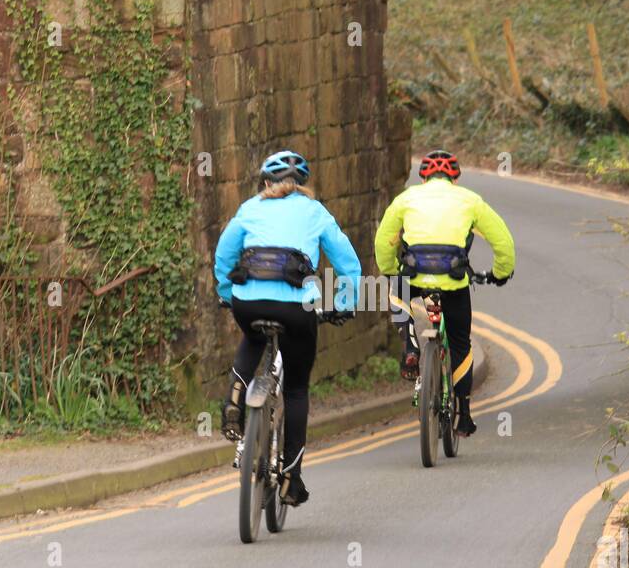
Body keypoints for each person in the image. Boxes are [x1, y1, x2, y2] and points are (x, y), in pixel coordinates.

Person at [214, 150, 361, 506]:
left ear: (266, 183)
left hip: (249, 300)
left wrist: (226, 293)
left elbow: (223, 254)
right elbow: (348, 263)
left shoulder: (250, 208)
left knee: (252, 335)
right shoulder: (315, 212)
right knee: (295, 389)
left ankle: (236, 392)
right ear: (300, 186)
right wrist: (344, 304)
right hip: (297, 307)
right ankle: (291, 478)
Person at [374, 150, 514, 436]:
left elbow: (383, 241)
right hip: (454, 280)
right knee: (461, 344)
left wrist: (390, 270)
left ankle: (411, 347)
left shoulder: (406, 199)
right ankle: (463, 415)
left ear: (424, 176)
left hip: (413, 273)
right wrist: (500, 273)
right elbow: (503, 241)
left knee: (397, 292)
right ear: (455, 177)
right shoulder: (470, 200)